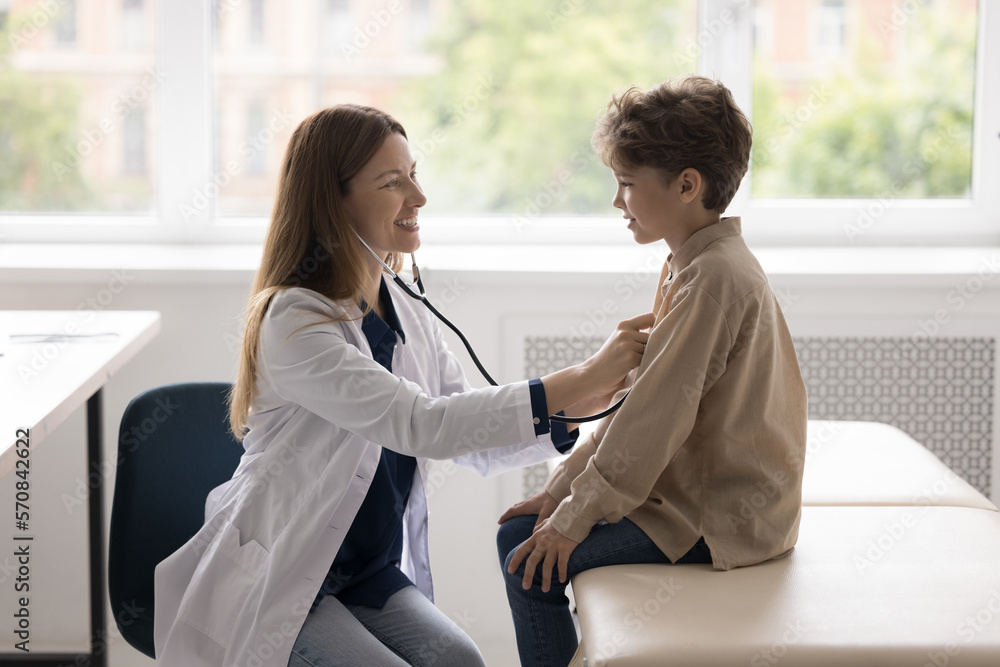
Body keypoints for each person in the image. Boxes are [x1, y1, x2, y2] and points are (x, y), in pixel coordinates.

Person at [152, 104, 653, 667]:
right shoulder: (294, 320)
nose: (418, 197)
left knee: (460, 661)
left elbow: (467, 429)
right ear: (333, 201)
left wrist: (580, 405)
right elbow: (423, 424)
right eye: (393, 182)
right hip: (286, 576)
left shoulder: (404, 307)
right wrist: (584, 374)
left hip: (364, 573)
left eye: (413, 174)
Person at [496, 75, 809, 667]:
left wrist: (571, 519)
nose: (617, 202)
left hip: (721, 517)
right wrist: (559, 492)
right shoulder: (693, 262)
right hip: (694, 494)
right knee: (523, 534)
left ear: (687, 185)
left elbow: (651, 423)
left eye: (626, 183)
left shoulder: (712, 278)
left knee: (523, 559)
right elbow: (639, 404)